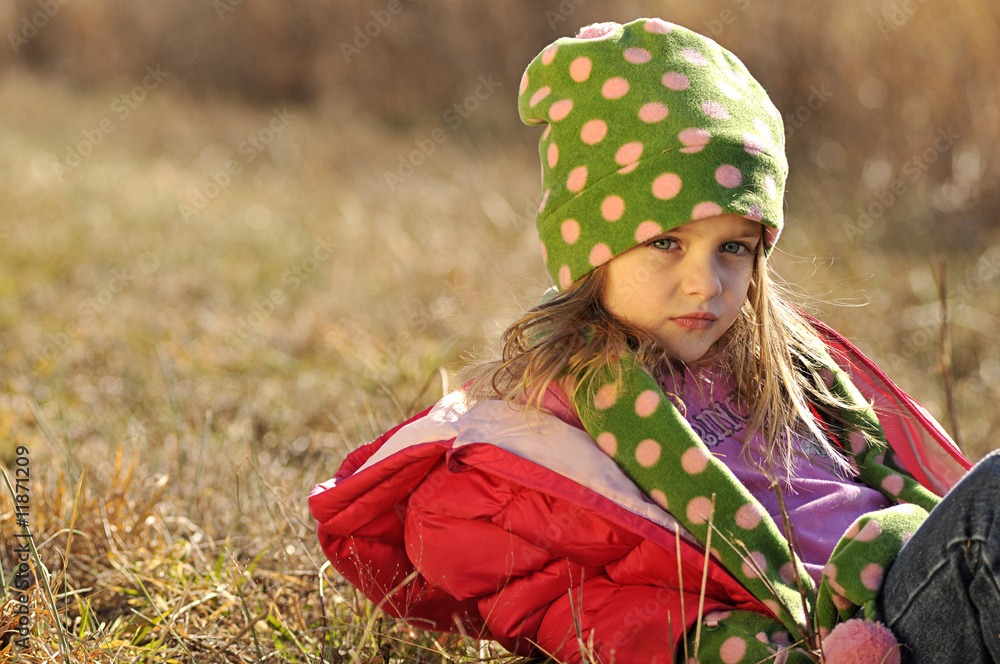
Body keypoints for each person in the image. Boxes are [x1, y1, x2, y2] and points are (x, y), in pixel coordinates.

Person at [310, 18, 996, 663]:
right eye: (666, 242)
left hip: (908, 578)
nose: (707, 283)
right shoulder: (547, 425)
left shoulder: (787, 365)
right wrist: (726, 644)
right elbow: (557, 596)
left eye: (734, 246)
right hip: (857, 633)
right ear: (593, 253)